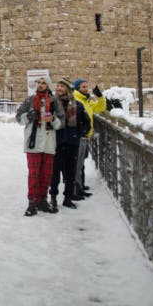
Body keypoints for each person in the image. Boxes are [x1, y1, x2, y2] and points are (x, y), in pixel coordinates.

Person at [16, 76, 64, 216]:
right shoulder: (30, 100)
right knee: (34, 173)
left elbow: (61, 122)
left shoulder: (55, 102)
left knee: (46, 174)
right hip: (34, 142)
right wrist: (29, 115)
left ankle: (42, 199)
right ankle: (32, 201)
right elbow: (19, 118)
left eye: (43, 83)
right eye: (39, 83)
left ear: (48, 85)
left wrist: (53, 120)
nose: (40, 85)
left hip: (49, 142)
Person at [50, 79, 89, 210]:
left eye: (61, 86)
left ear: (67, 88)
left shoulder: (77, 105)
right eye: (58, 86)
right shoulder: (52, 104)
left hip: (72, 143)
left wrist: (79, 134)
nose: (59, 88)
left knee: (71, 173)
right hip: (57, 143)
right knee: (54, 173)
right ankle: (53, 198)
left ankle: (68, 198)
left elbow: (86, 122)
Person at [73, 79, 106, 200]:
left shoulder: (87, 100)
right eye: (83, 87)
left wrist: (100, 97)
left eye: (87, 87)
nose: (86, 89)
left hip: (85, 136)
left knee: (80, 163)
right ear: (77, 88)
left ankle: (79, 186)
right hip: (78, 136)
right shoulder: (76, 100)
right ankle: (75, 189)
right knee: (77, 164)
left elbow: (100, 108)